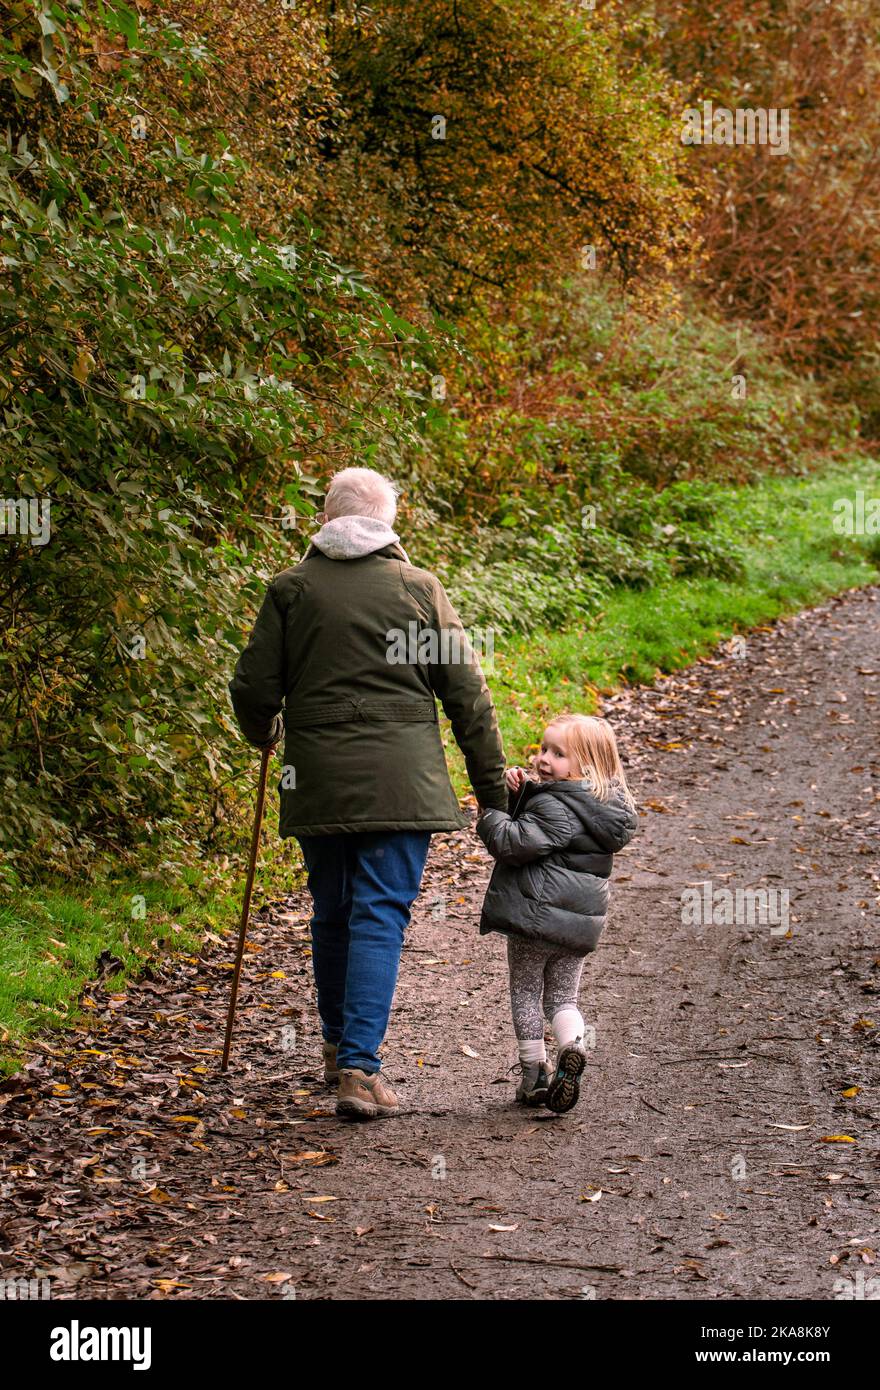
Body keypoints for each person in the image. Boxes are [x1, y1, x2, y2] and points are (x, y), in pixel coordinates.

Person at [228, 467, 508, 1119]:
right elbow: (467, 697)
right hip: (400, 782)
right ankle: (359, 1068)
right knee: (379, 911)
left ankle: (334, 1050)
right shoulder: (418, 588)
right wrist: (493, 790)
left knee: (332, 909)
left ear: (326, 519)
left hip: (318, 780)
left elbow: (251, 689)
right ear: (387, 523)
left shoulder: (290, 591)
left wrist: (263, 730)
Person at [475, 714, 638, 1113]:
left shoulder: (552, 803)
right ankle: (571, 1046)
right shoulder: (607, 807)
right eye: (544, 748)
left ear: (586, 765)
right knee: (563, 997)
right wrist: (523, 796)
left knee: (527, 991)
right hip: (579, 923)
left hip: (536, 919)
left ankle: (534, 1075)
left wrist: (491, 814)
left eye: (558, 754)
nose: (544, 758)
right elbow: (550, 832)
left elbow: (515, 843)